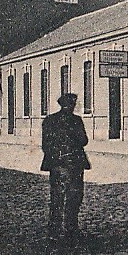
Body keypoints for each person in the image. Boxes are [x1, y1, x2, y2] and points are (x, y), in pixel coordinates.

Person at [41, 93, 90, 246]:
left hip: (57, 164)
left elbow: (45, 145)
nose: (73, 106)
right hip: (73, 164)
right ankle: (70, 229)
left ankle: (55, 231)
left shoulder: (50, 120)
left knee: (57, 197)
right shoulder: (76, 121)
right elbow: (84, 140)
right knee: (73, 197)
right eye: (72, 104)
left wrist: (56, 156)